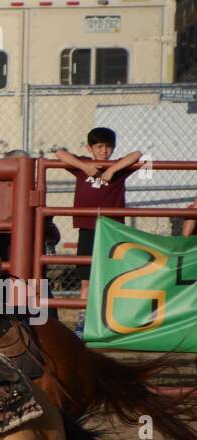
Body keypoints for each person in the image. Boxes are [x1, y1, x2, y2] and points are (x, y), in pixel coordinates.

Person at [55, 128, 142, 336]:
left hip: (112, 231)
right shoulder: (83, 166)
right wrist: (85, 166)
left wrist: (112, 170)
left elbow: (137, 154)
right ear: (90, 148)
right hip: (88, 229)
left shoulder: (119, 168)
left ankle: (114, 323)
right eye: (99, 147)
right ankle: (82, 323)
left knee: (113, 279)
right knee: (86, 280)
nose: (104, 151)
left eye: (108, 147)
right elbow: (60, 153)